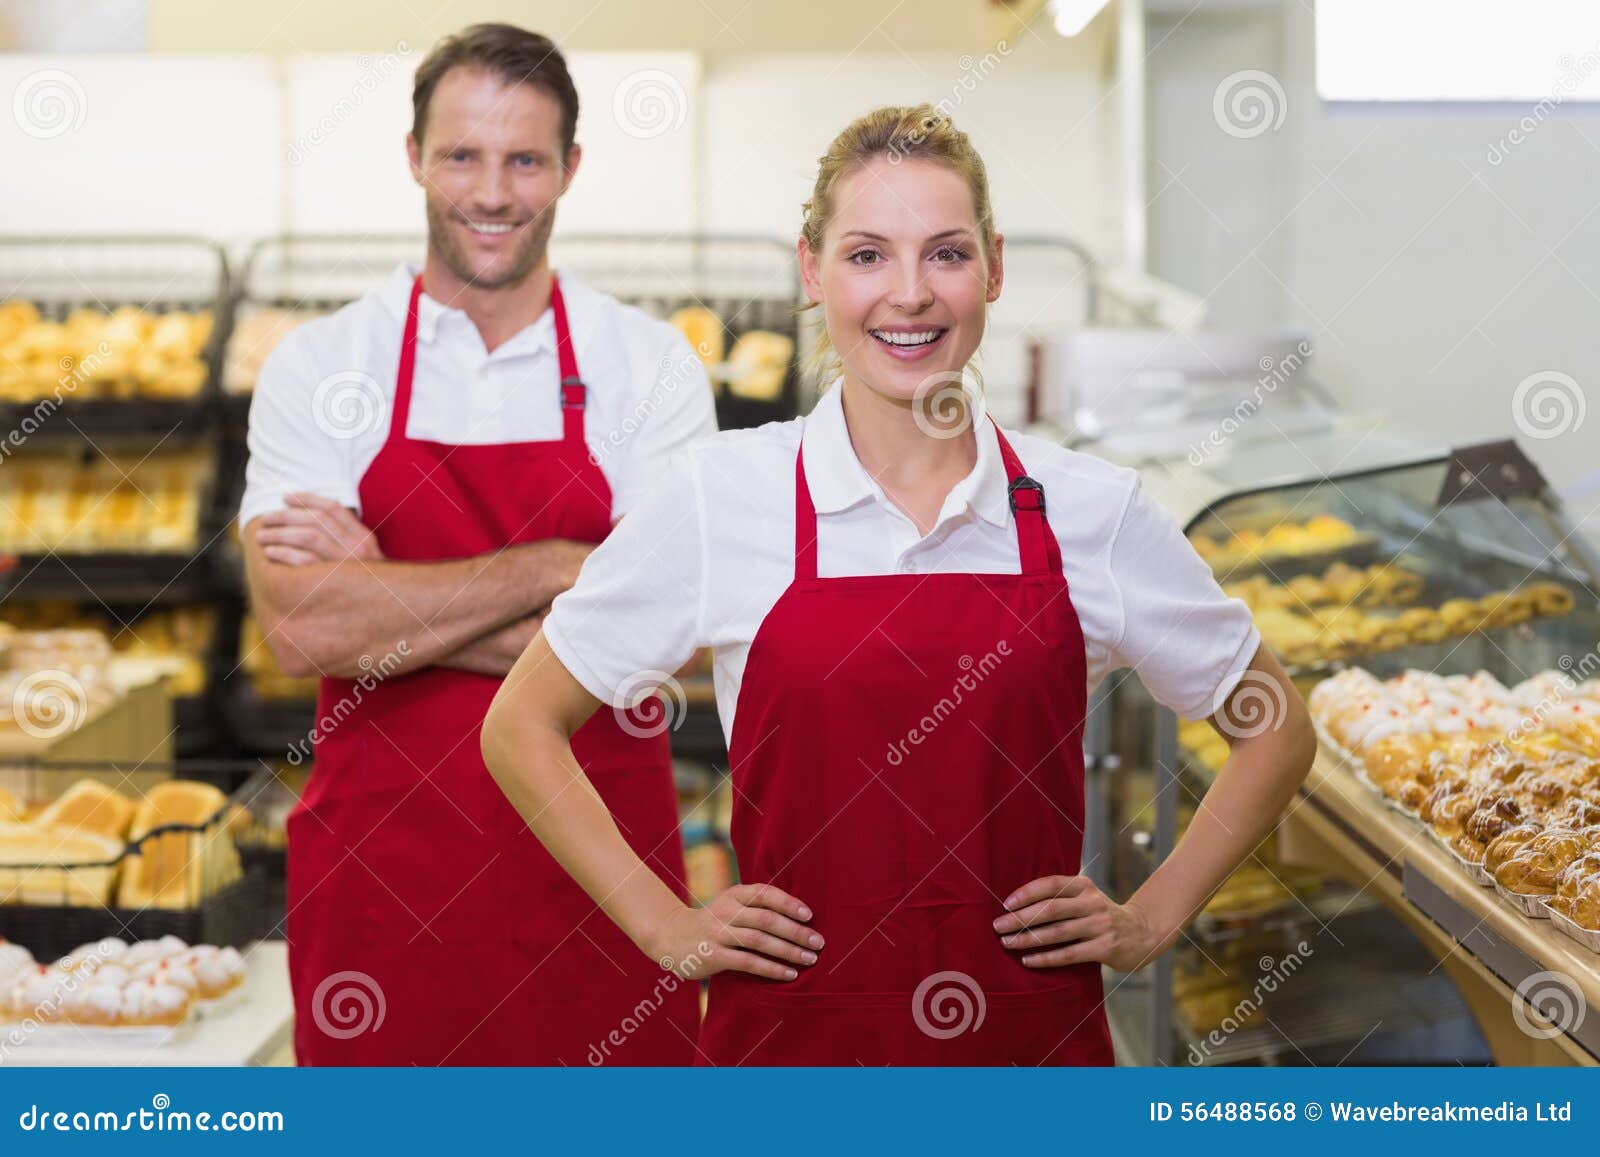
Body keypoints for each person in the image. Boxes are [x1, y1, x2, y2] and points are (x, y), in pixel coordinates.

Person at [480, 105, 1315, 1065]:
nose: (910, 295)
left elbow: (1277, 728)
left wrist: (1151, 917)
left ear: (995, 268)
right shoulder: (724, 496)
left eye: (947, 254)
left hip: (1029, 1054)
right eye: (868, 255)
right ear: (813, 271)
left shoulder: (1095, 510)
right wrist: (663, 924)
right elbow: (521, 724)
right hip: (790, 1060)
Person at [240, 24, 713, 1065]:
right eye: (461, 155)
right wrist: (562, 570)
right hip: (384, 892)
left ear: (569, 170)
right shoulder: (322, 364)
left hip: (603, 890)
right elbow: (304, 626)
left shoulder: (650, 366)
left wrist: (383, 599)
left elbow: (675, 635)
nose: (491, 192)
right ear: (414, 156)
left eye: (524, 160)